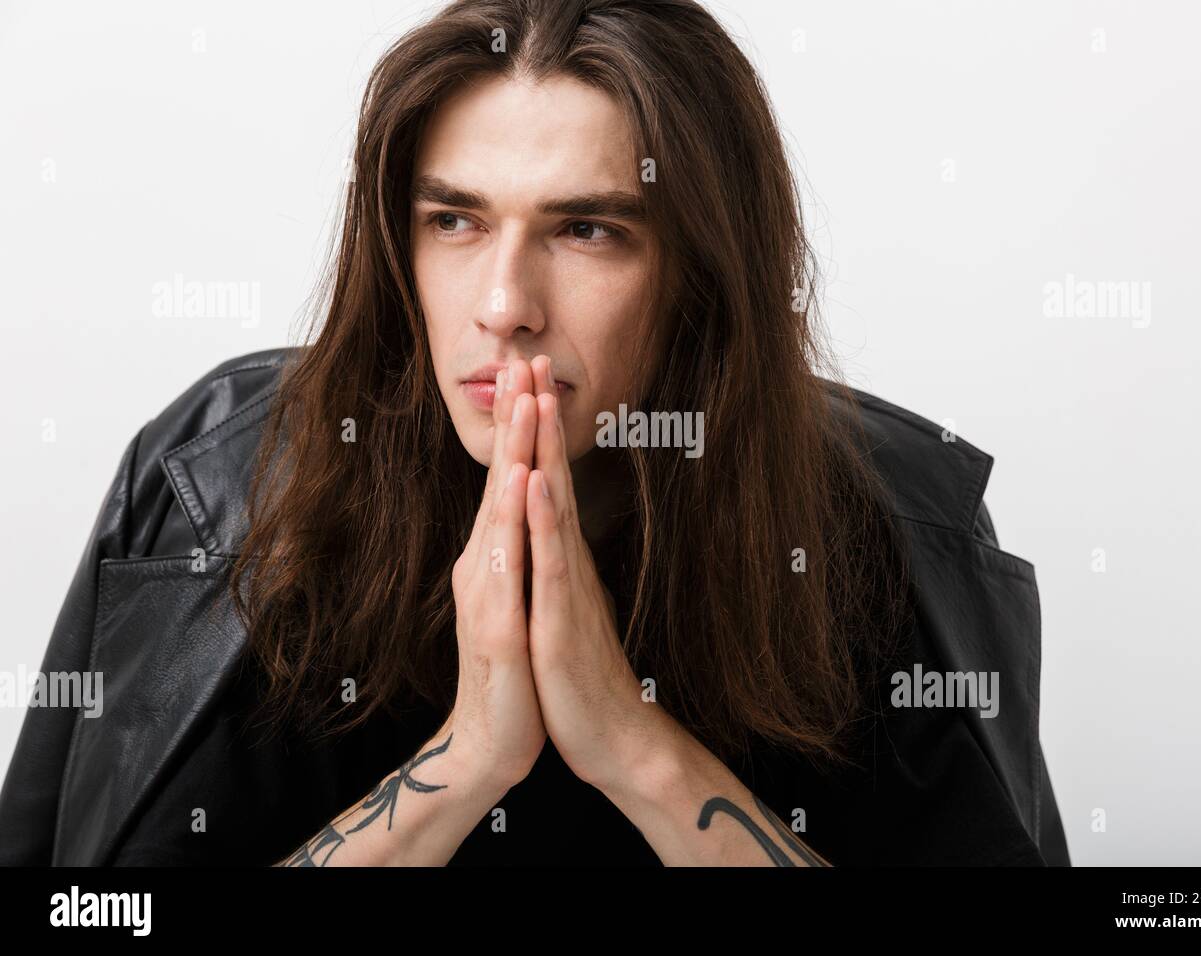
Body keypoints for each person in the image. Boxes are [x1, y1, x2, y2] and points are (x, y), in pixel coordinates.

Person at [0, 0, 1069, 866]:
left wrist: (641, 755)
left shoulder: (892, 523)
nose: (503, 300)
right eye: (454, 220)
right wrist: (468, 762)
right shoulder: (222, 490)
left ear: (702, 278)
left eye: (586, 228)